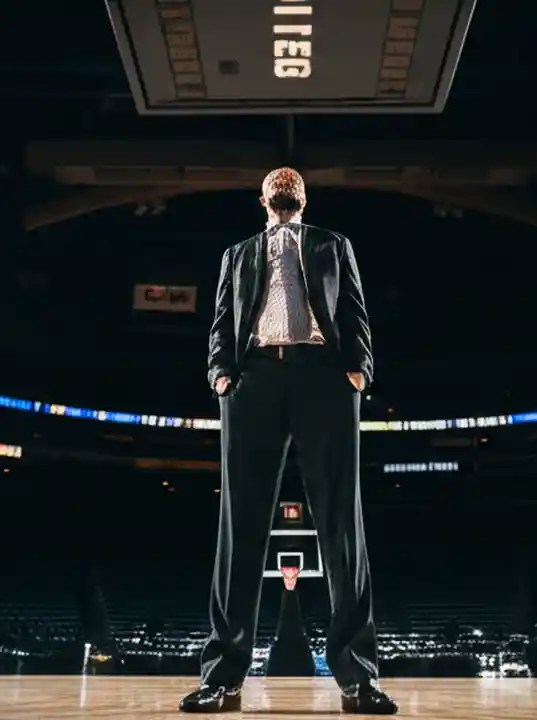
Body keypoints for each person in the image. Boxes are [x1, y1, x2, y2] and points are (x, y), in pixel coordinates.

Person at [179, 168, 396, 714]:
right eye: (274, 180)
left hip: (325, 376)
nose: (282, 180)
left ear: (302, 197)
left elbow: (356, 311)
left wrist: (359, 371)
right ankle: (223, 676)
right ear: (263, 199)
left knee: (342, 525)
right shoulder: (238, 254)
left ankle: (357, 677)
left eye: (291, 179)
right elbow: (221, 320)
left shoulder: (332, 244)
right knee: (240, 525)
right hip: (253, 379)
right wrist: (220, 375)